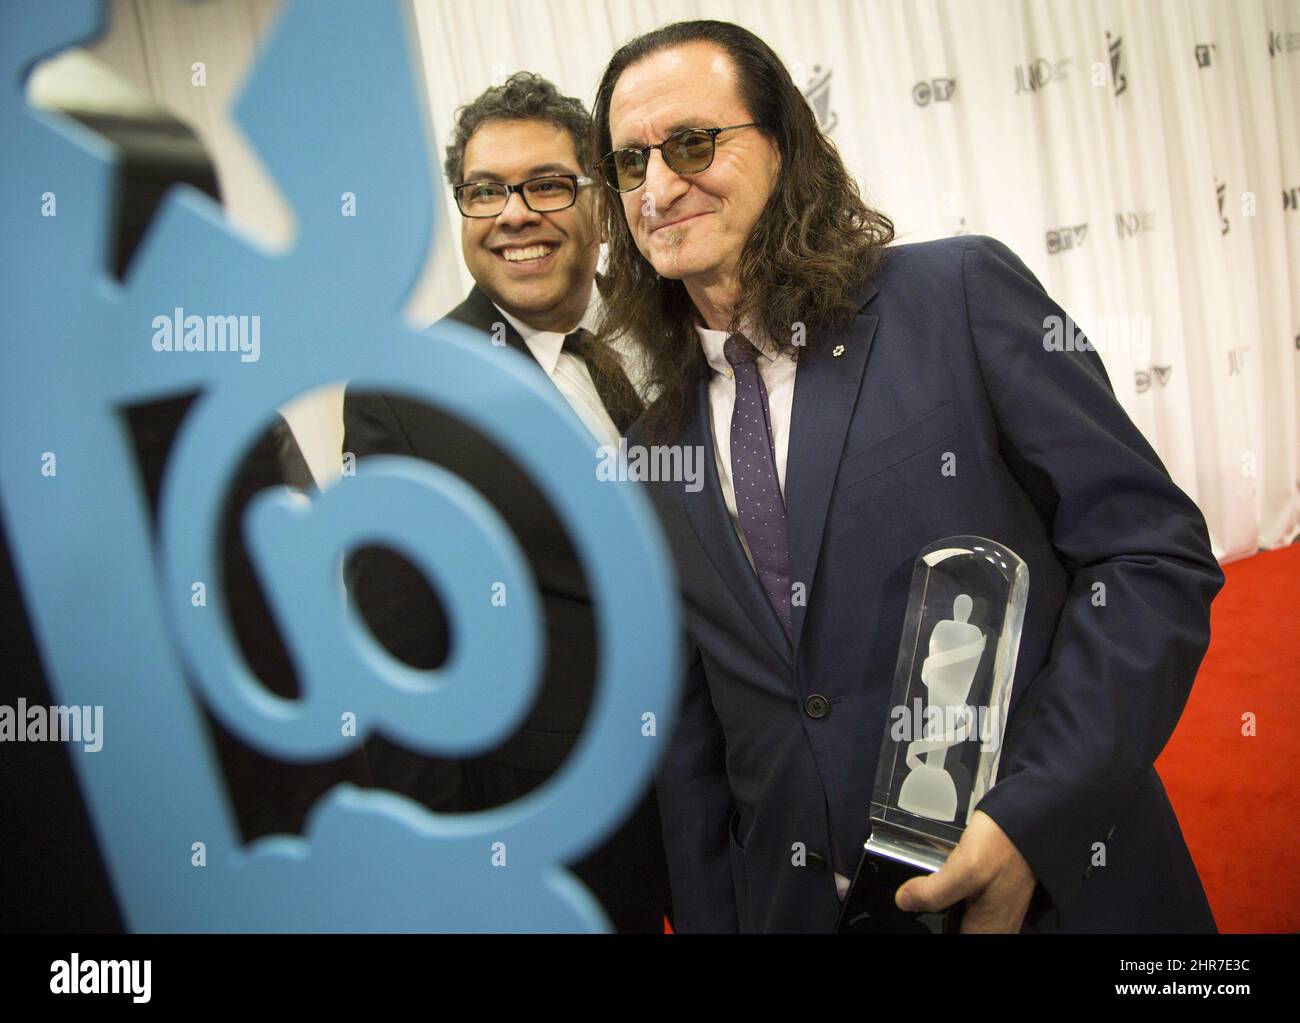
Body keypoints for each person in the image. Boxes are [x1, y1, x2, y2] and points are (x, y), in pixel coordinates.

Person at [590, 20, 1224, 933]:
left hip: (1056, 893)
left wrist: (1031, 819)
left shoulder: (956, 296)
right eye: (629, 162)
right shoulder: (651, 450)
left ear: (785, 147)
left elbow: (1151, 561)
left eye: (693, 142)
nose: (658, 185)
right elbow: (692, 747)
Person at [343, 72, 668, 933]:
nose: (513, 214)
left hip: (742, 801)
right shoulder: (407, 393)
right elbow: (401, 667)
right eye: (484, 192)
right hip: (556, 835)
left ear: (599, 202)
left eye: (547, 185)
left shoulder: (677, 326)